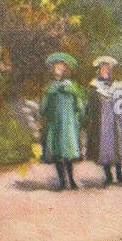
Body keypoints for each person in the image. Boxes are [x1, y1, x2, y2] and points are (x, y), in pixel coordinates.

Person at [39, 53, 85, 190]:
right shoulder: (49, 87)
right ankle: (62, 181)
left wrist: (78, 116)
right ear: (53, 68)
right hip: (55, 124)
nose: (59, 68)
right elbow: (43, 107)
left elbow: (80, 104)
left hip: (68, 124)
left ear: (65, 69)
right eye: (57, 66)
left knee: (68, 154)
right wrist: (44, 113)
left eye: (62, 66)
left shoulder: (72, 86)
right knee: (57, 153)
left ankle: (71, 180)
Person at [85, 55, 122, 186]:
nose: (105, 70)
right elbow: (91, 106)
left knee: (117, 147)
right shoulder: (95, 86)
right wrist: (91, 120)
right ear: (99, 70)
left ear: (111, 70)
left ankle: (119, 175)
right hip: (102, 122)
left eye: (107, 68)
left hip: (116, 121)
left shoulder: (119, 85)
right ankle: (108, 176)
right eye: (102, 68)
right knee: (104, 147)